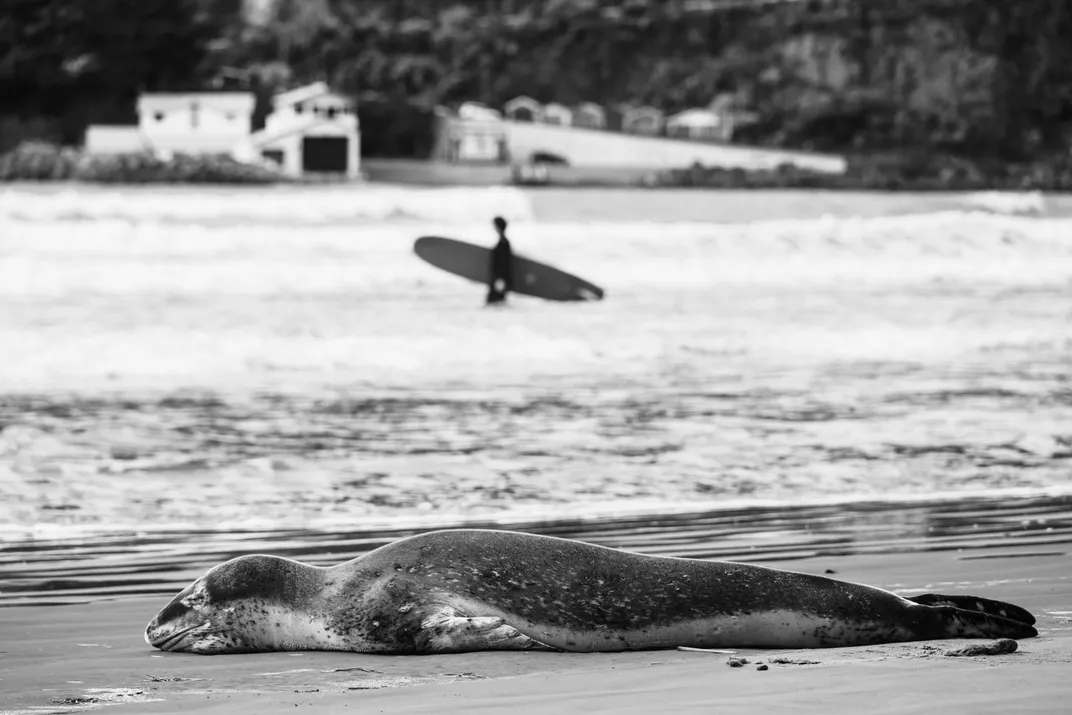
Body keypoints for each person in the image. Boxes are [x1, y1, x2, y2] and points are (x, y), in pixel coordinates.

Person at [486, 215, 513, 305]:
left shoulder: (504, 243)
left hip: (500, 278)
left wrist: (501, 279)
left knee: (494, 302)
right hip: (498, 278)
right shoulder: (503, 242)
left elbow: (504, 263)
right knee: (497, 302)